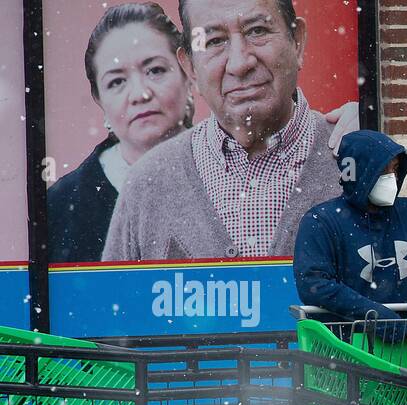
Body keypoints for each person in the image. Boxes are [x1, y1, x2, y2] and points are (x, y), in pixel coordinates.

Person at [102, 0, 351, 261]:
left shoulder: (355, 157)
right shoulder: (146, 184)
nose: (239, 63)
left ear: (297, 41)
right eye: (214, 41)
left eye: (257, 31)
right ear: (190, 68)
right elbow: (108, 300)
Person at [48, 3, 194, 263]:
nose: (140, 94)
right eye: (117, 82)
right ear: (99, 99)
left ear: (187, 72)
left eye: (155, 70)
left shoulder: (231, 172)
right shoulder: (60, 207)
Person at [294, 130, 407, 343]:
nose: (392, 178)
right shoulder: (321, 221)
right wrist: (379, 319)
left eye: (395, 169)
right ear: (360, 174)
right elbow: (314, 284)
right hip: (342, 349)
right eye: (382, 171)